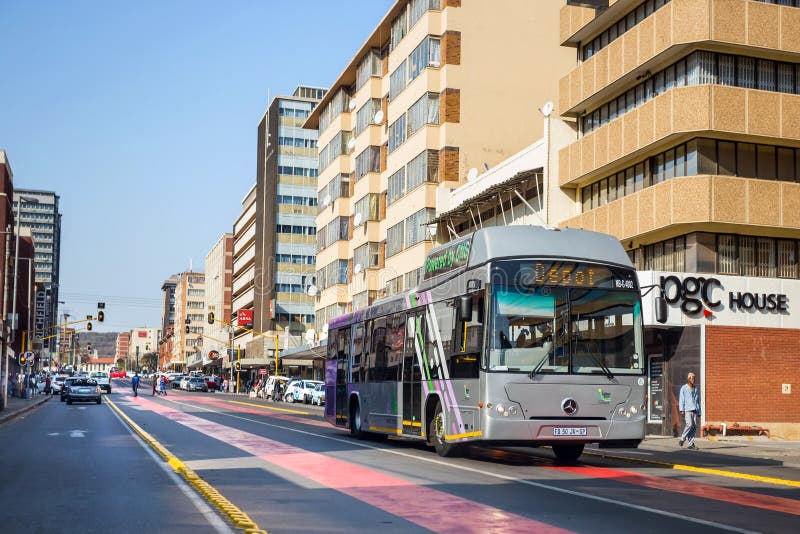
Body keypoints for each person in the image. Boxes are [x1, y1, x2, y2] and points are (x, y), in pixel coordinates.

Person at [678, 371, 701, 450]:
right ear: (688, 379)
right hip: (687, 409)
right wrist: (681, 409)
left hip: (695, 410)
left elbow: (697, 401)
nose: (692, 379)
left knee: (694, 427)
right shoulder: (684, 388)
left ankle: (690, 444)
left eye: (693, 378)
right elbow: (681, 399)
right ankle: (682, 439)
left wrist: (699, 411)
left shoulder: (696, 389)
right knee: (689, 424)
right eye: (691, 378)